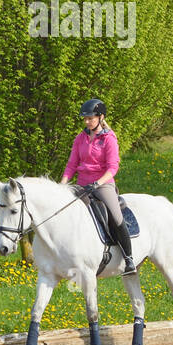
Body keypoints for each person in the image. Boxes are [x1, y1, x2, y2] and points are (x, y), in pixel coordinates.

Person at [60, 98, 136, 275]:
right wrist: (62, 185)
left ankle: (129, 258)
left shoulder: (109, 138)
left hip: (102, 184)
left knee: (116, 217)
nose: (86, 122)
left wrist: (97, 183)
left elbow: (112, 167)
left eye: (90, 118)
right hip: (82, 184)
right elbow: (71, 165)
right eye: (85, 119)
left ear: (101, 117)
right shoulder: (80, 138)